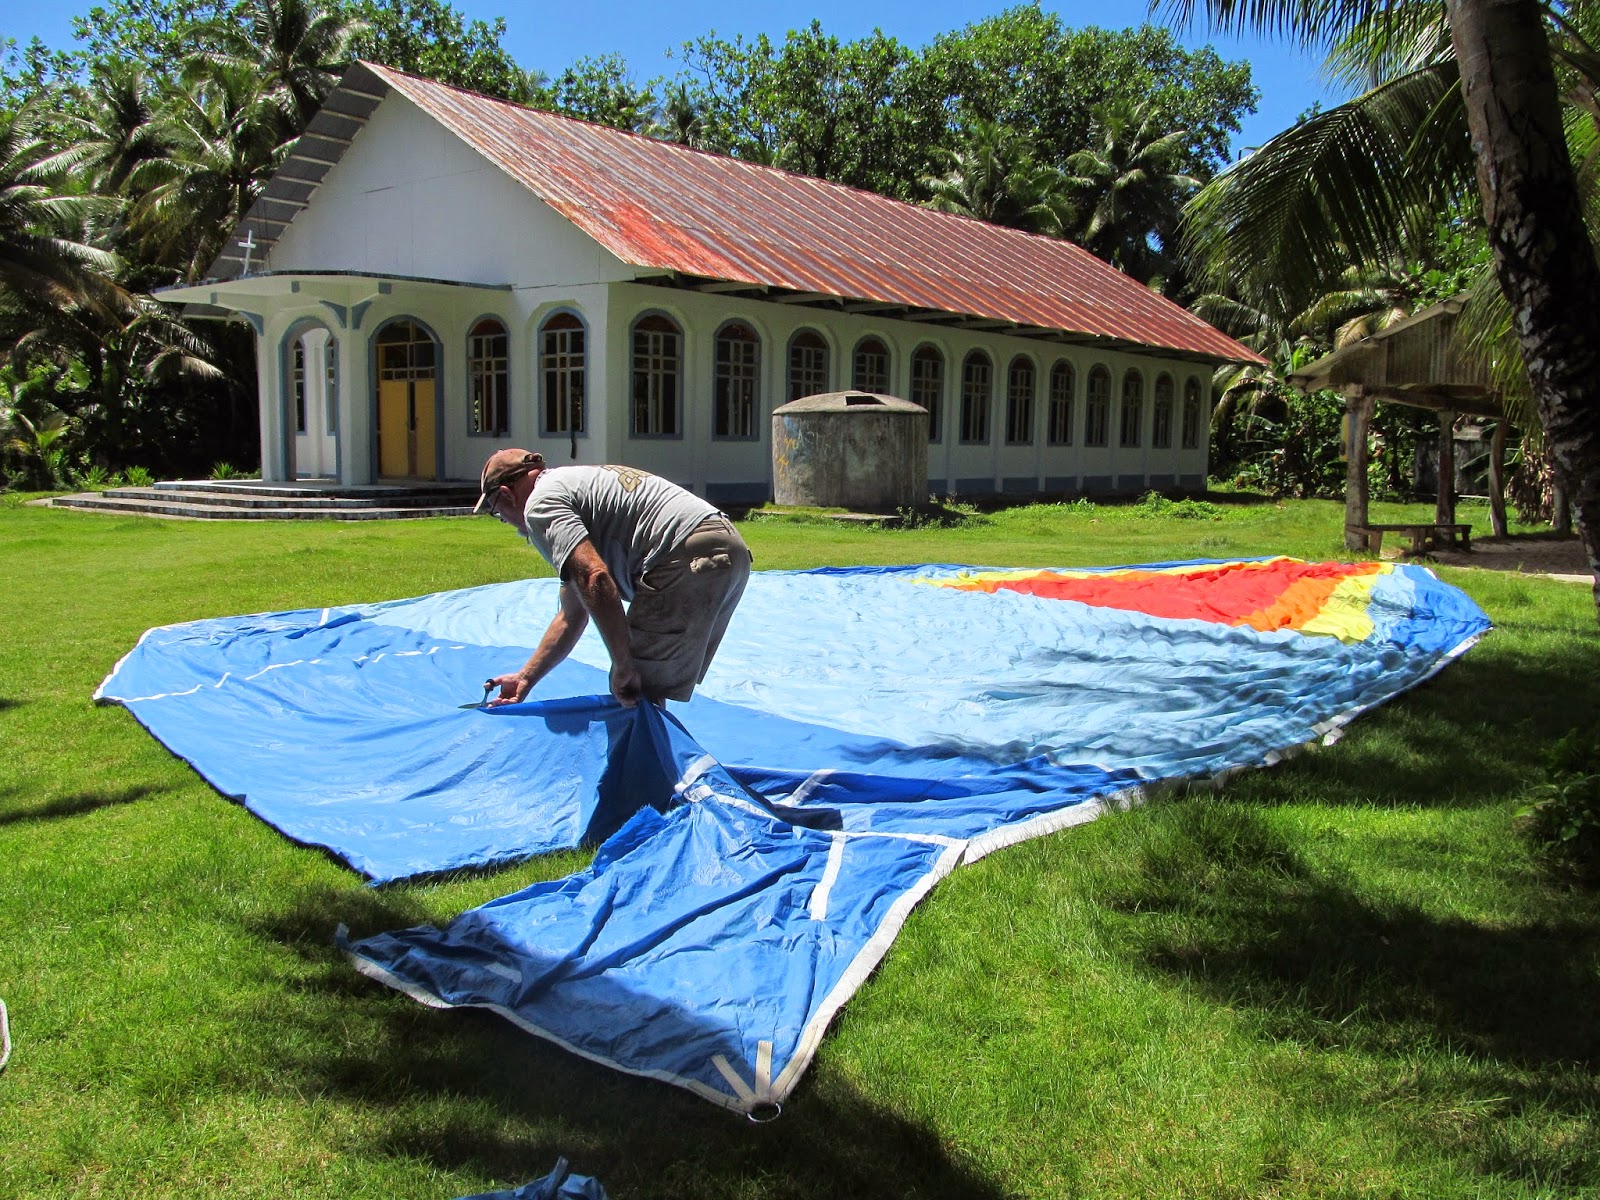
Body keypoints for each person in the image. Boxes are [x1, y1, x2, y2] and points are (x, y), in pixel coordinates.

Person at [475, 448, 752, 708]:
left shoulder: (541, 504)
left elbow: (594, 577)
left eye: (498, 512)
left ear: (506, 494)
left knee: (631, 688)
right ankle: (653, 755)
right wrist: (526, 676)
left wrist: (622, 661)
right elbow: (572, 613)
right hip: (728, 551)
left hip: (688, 554)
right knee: (645, 687)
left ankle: (645, 760)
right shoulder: (572, 482)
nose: (506, 521)